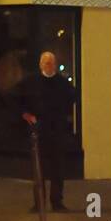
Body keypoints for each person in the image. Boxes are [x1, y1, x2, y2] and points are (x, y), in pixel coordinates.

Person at [21, 51, 76, 212]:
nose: (49, 65)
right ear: (40, 65)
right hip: (39, 130)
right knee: (39, 169)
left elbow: (72, 98)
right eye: (46, 63)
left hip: (57, 130)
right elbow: (21, 101)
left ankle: (57, 201)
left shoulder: (62, 83)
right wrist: (26, 115)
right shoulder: (32, 82)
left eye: (51, 63)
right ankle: (39, 203)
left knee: (57, 168)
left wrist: (63, 114)